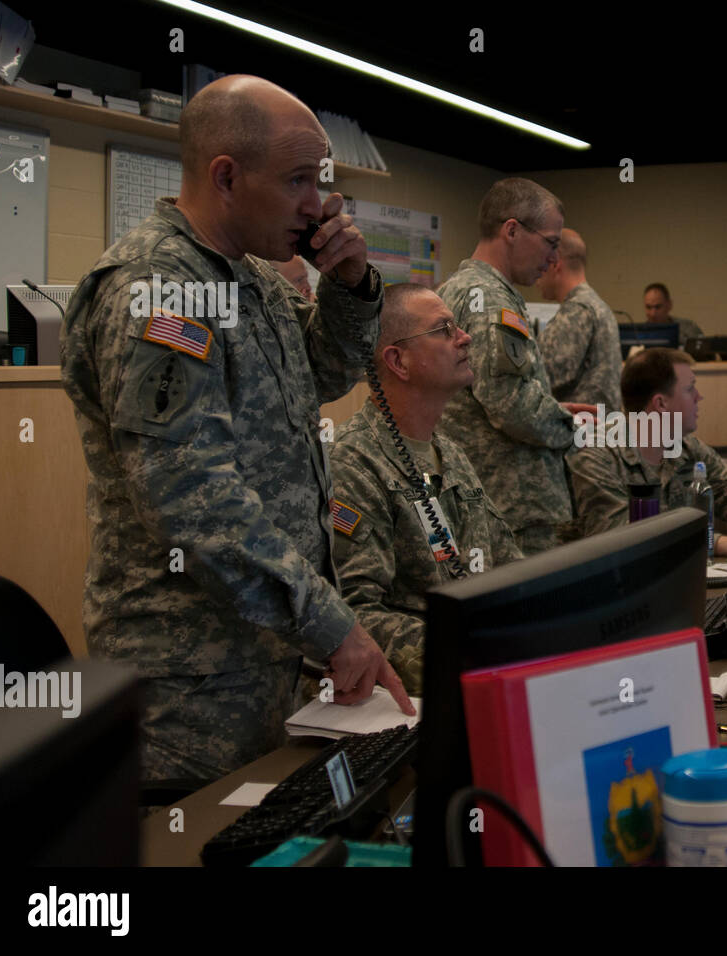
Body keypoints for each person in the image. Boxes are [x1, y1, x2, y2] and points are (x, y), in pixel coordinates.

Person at [59, 75, 412, 785]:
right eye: (297, 182)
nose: (319, 205)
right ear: (226, 176)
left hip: (261, 660)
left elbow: (323, 372)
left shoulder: (247, 279)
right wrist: (330, 622)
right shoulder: (159, 288)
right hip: (189, 687)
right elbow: (191, 500)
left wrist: (348, 287)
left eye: (320, 181)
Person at [330, 285, 521, 694]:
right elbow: (354, 613)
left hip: (484, 673)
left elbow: (509, 565)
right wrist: (470, 647)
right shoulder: (354, 461)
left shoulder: (449, 453)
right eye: (444, 329)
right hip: (423, 692)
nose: (465, 336)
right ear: (398, 361)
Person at [435, 178, 594, 555]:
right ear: (511, 230)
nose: (554, 259)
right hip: (508, 507)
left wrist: (554, 410)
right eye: (551, 243)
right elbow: (509, 405)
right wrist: (567, 426)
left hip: (488, 499)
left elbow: (494, 391)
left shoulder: (461, 288)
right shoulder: (489, 299)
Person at [568, 348, 727, 555]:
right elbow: (616, 539)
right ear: (661, 403)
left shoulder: (688, 448)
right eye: (690, 388)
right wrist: (716, 543)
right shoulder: (596, 453)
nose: (699, 397)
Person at [537, 228, 623, 410]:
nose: (538, 273)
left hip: (581, 432)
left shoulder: (577, 310)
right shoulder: (596, 306)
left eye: (542, 263)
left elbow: (544, 376)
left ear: (555, 263)